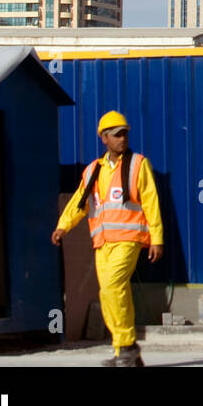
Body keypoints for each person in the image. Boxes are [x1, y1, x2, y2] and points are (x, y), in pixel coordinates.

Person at [51, 110, 163, 367]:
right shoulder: (93, 170)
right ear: (104, 138)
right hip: (102, 243)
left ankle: (126, 344)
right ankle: (124, 351)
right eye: (116, 135)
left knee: (113, 285)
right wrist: (63, 227)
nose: (122, 139)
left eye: (125, 134)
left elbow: (151, 202)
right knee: (107, 293)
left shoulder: (138, 164)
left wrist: (157, 238)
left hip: (129, 239)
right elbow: (80, 202)